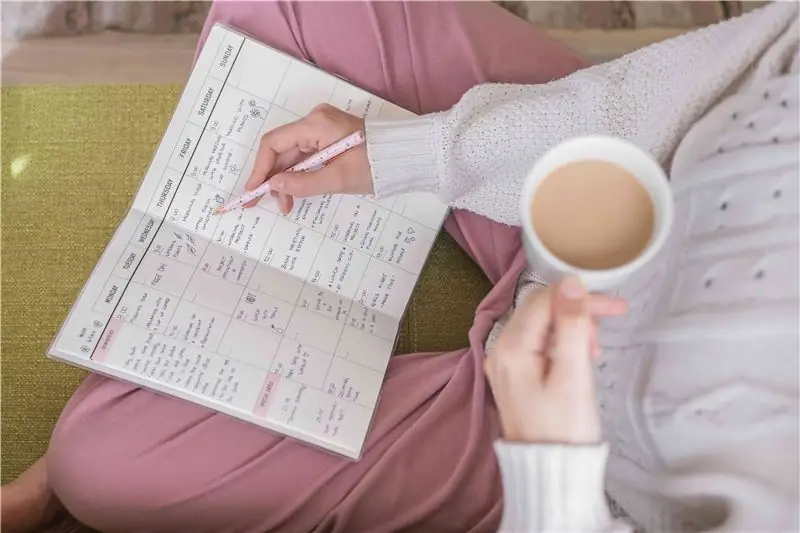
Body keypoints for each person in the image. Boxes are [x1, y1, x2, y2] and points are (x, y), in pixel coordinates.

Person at [2, 1, 798, 532]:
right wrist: (414, 154)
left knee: (95, 464)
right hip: (584, 179)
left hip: (573, 445)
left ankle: (114, 413)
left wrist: (551, 465)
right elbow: (705, 83)